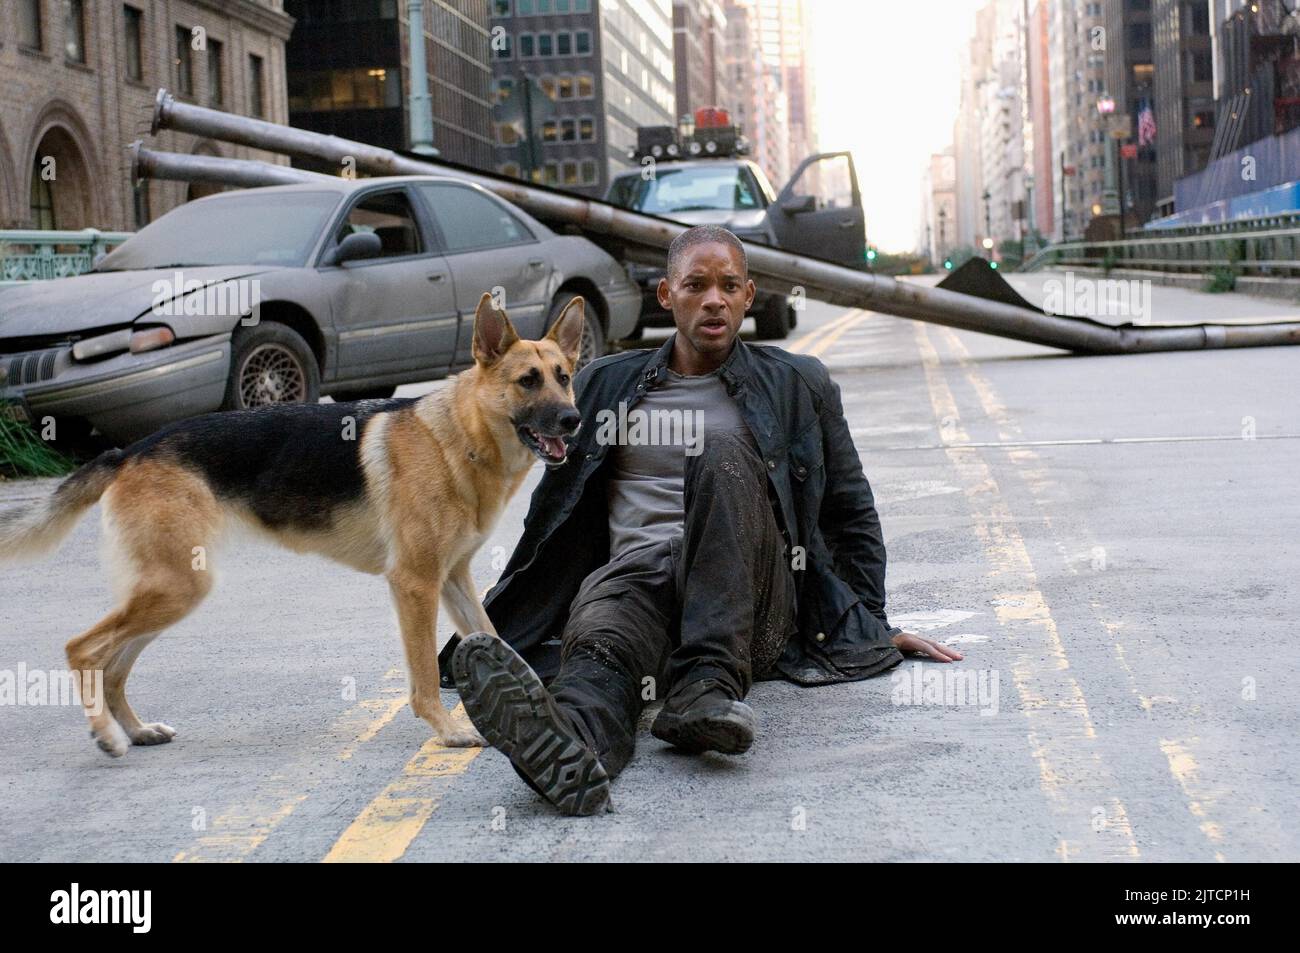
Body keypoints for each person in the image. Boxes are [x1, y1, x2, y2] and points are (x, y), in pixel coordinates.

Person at [446, 224, 961, 816]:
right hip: (635, 584)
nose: (714, 299)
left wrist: (866, 623)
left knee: (715, 449)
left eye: (729, 286)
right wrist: (522, 611)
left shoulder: (798, 384)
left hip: (748, 602)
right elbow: (553, 518)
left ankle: (707, 687)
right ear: (667, 295)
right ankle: (571, 745)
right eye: (696, 285)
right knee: (600, 657)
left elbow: (851, 514)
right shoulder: (601, 385)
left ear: (748, 295)